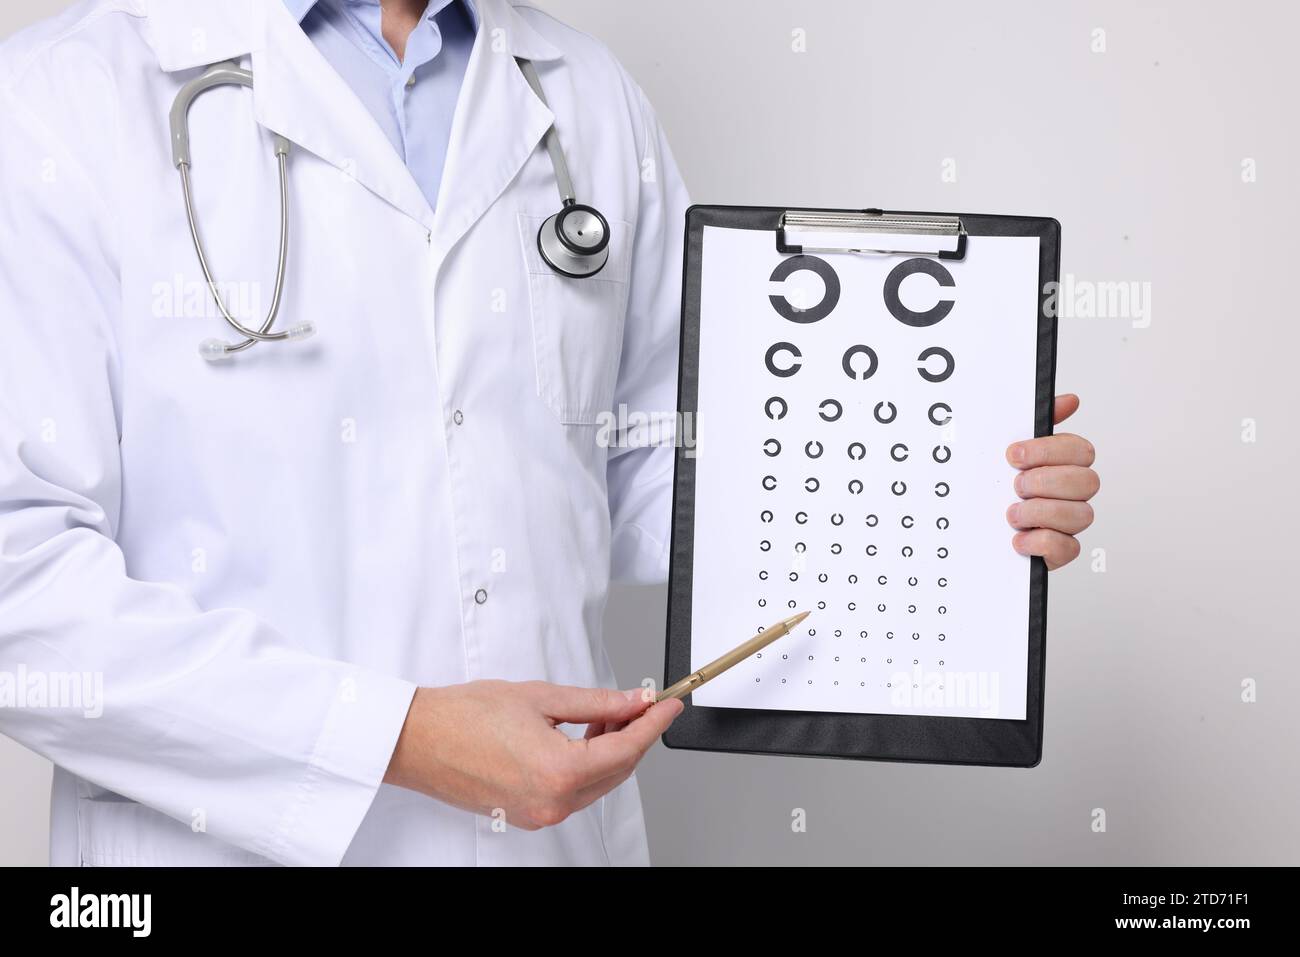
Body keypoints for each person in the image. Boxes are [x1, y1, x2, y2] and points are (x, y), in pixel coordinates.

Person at [0, 0, 1099, 866]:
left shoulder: (583, 96)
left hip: (552, 841)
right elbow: (18, 585)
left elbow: (647, 473)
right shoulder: (61, 101)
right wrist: (392, 737)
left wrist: (944, 488)